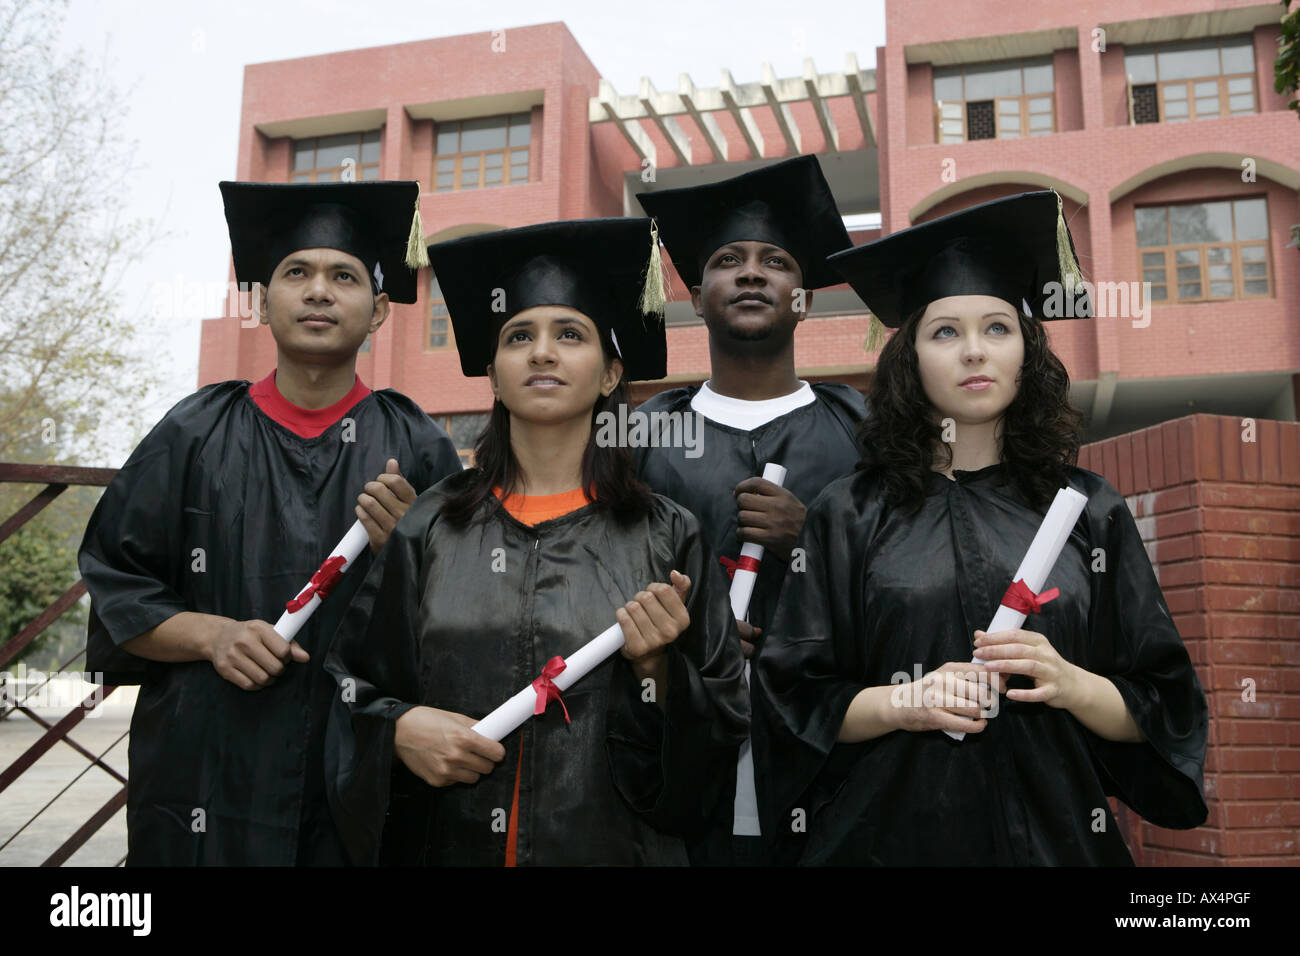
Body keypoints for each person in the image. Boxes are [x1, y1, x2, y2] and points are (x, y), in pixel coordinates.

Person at [753, 190, 1209, 865]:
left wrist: (1071, 682)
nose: (974, 352)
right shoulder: (850, 511)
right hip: (885, 844)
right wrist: (905, 701)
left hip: (1056, 842)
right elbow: (792, 700)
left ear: (1027, 350)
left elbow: (1164, 704)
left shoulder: (1087, 509)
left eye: (997, 328)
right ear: (912, 357)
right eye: (945, 332)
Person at [325, 218, 749, 866]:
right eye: (519, 336)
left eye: (569, 335)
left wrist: (659, 674)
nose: (542, 353)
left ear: (610, 374)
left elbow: (723, 719)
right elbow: (352, 687)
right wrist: (399, 729)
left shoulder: (666, 536)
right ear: (493, 375)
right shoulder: (431, 527)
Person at [78, 181, 463, 865]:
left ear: (378, 311)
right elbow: (117, 580)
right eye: (297, 272)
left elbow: (461, 620)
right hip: (205, 766)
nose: (319, 291)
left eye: (343, 276)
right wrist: (212, 635)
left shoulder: (418, 445)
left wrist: (411, 552)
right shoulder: (195, 431)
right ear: (261, 301)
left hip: (356, 767)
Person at [634, 154, 865, 864]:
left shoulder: (862, 430)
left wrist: (812, 537)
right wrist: (686, 639)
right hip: (680, 761)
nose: (753, 272)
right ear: (697, 295)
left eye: (777, 261)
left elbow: (906, 588)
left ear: (806, 296)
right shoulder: (645, 435)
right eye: (729, 259)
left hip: (832, 768)